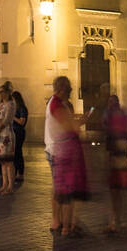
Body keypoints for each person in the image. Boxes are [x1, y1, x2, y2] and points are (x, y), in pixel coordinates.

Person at [46, 77, 88, 235]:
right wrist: (80, 122)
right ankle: (66, 227)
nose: (70, 93)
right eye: (69, 90)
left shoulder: (57, 103)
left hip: (62, 151)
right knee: (68, 192)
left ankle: (62, 224)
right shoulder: (57, 104)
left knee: (63, 191)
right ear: (63, 89)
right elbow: (69, 127)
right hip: (66, 152)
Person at [103, 94, 127, 231]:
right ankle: (122, 221)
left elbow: (115, 135)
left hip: (119, 157)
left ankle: (118, 222)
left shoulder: (113, 117)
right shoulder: (121, 116)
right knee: (123, 191)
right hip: (122, 156)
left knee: (118, 191)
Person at [0, 90, 17, 194]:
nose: (2, 94)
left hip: (6, 134)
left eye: (4, 92)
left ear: (8, 93)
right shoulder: (0, 105)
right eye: (0, 92)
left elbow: (7, 120)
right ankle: (4, 185)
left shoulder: (11, 105)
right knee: (2, 162)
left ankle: (10, 186)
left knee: (8, 161)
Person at [11, 89, 28, 182]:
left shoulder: (22, 108)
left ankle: (20, 174)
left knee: (18, 153)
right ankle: (15, 172)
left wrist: (12, 117)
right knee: (14, 153)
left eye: (13, 99)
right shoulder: (15, 108)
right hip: (13, 132)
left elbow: (22, 121)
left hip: (19, 132)